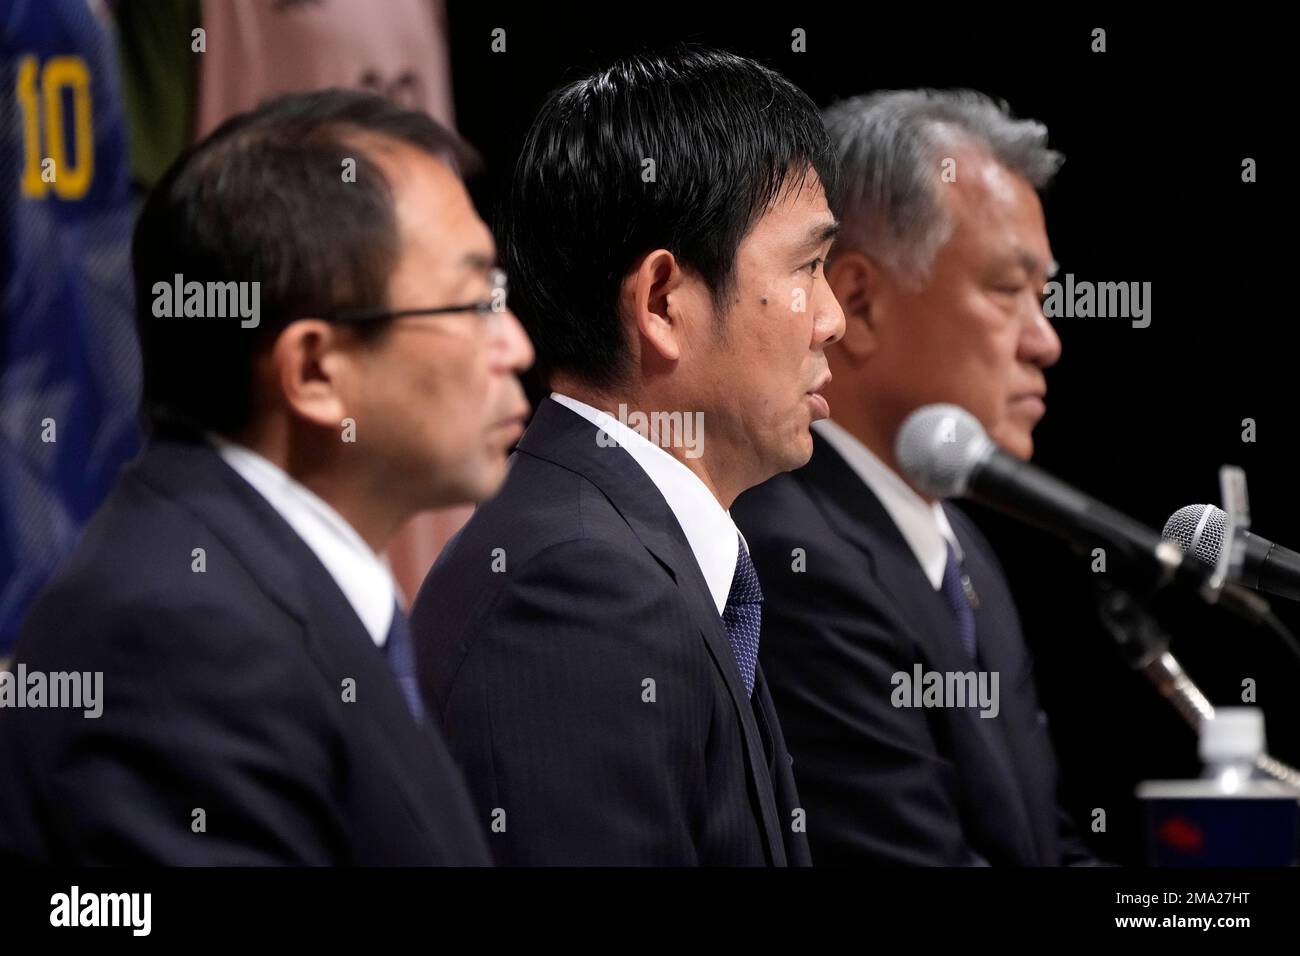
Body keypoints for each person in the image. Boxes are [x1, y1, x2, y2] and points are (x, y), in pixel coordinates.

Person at [0, 89, 533, 864]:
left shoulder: (253, 577)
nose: (515, 346)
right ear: (315, 371)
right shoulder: (183, 641)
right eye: (474, 301)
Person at [412, 47, 845, 865]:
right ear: (661, 303)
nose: (833, 321)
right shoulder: (579, 586)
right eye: (808, 268)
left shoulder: (631, 554)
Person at [734, 90, 1094, 865]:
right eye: (1007, 291)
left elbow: (1048, 848)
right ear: (859, 304)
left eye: (1044, 296)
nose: (1046, 341)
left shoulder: (961, 545)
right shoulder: (794, 561)